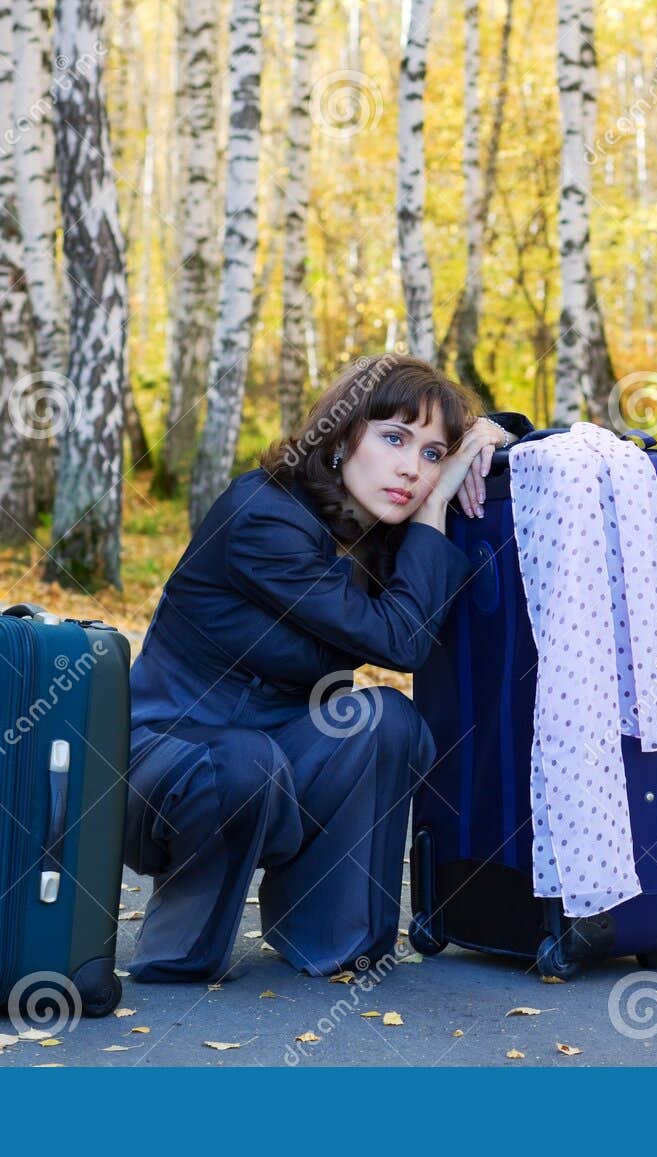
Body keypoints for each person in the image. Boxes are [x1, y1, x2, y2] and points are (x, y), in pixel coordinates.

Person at [121, 354, 511, 982]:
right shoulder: (264, 517)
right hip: (163, 767)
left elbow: (505, 441)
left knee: (387, 720)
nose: (412, 469)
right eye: (394, 438)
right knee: (246, 761)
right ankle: (179, 946)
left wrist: (487, 435)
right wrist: (438, 504)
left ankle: (334, 936)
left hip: (280, 759)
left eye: (435, 455)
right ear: (341, 432)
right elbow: (399, 640)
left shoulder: (372, 527)